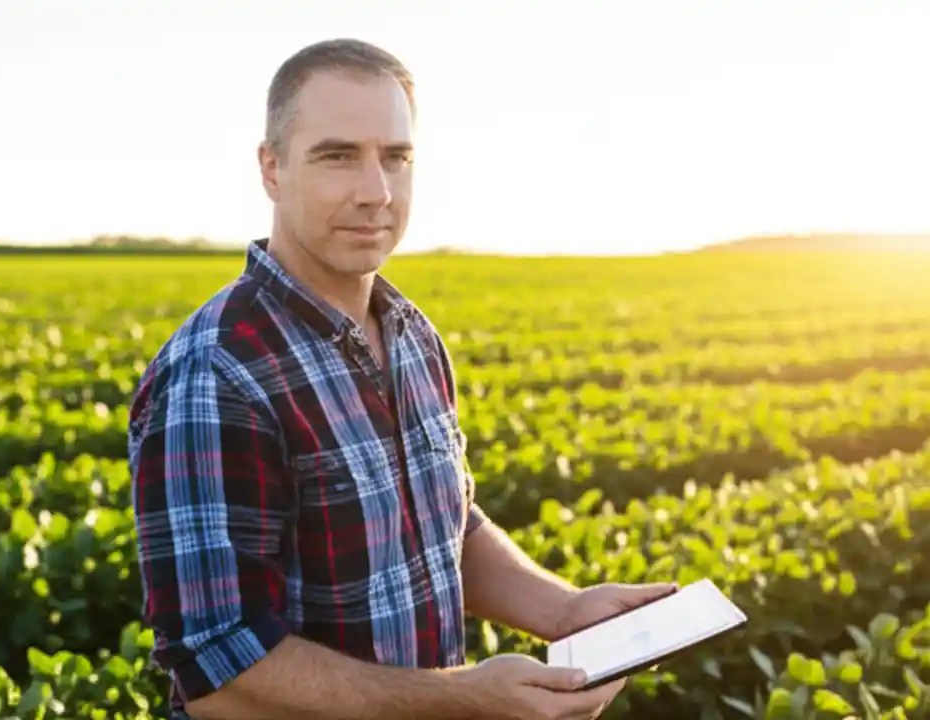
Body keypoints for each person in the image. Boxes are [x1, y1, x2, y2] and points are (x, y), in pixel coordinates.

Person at [126, 37, 676, 720]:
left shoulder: (411, 334)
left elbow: (442, 524)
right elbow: (221, 676)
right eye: (337, 156)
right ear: (271, 169)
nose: (376, 191)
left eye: (396, 157)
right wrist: (459, 700)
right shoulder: (217, 371)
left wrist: (564, 611)